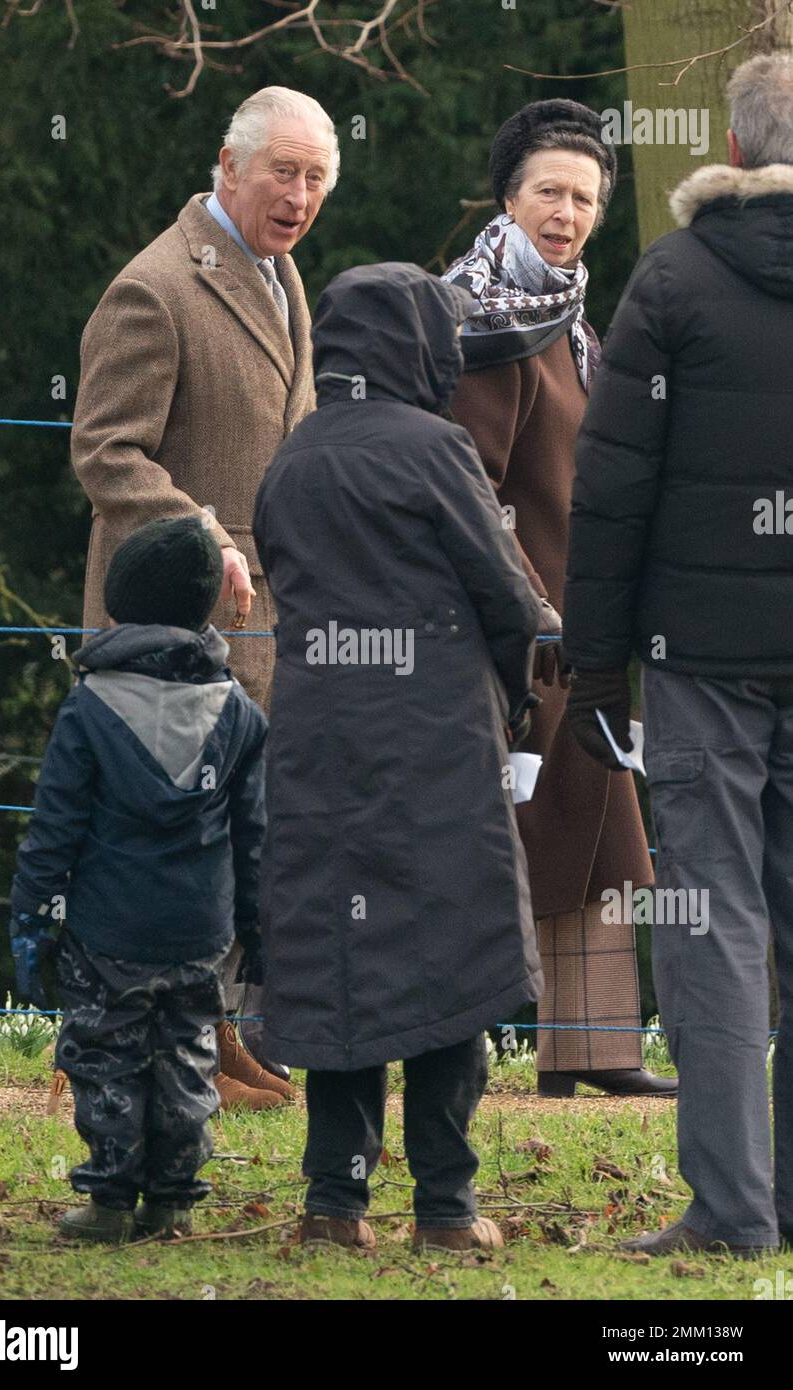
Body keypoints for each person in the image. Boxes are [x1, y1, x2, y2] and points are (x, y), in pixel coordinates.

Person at [253, 262, 544, 1253]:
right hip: (433, 743)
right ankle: (445, 1210)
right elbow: (505, 596)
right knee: (444, 957)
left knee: (339, 960)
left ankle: (332, 1205)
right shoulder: (435, 450)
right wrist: (528, 685)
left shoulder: (289, 460)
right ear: (418, 346)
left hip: (316, 746)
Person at [563, 54, 793, 1257]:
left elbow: (608, 491)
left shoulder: (672, 277)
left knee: (711, 928)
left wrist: (595, 663)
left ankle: (730, 1210)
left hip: (698, 660)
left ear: (734, 148)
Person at [70, 86, 339, 1096]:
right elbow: (104, 452)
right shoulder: (156, 287)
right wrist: (192, 530)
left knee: (233, 825)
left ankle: (207, 1031)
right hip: (168, 624)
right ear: (228, 166)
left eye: (315, 178)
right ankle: (131, 1041)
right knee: (159, 832)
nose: (300, 194)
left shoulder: (282, 276)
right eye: (283, 171)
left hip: (259, 621)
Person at [442, 100, 673, 1099]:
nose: (566, 212)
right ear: (507, 196)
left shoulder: (567, 320)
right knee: (500, 833)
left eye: (583, 197)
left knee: (600, 817)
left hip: (577, 624)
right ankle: (433, 1039)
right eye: (548, 191)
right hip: (511, 626)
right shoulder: (480, 325)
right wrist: (528, 611)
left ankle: (590, 1050)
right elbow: (468, 488)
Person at [9, 516, 280, 1244]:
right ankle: (173, 1200)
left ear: (119, 604)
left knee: (106, 1059)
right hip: (199, 931)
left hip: (107, 933)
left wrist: (32, 922)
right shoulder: (240, 714)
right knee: (189, 1056)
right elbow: (256, 838)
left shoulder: (88, 708)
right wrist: (258, 928)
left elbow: (54, 832)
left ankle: (109, 1199)